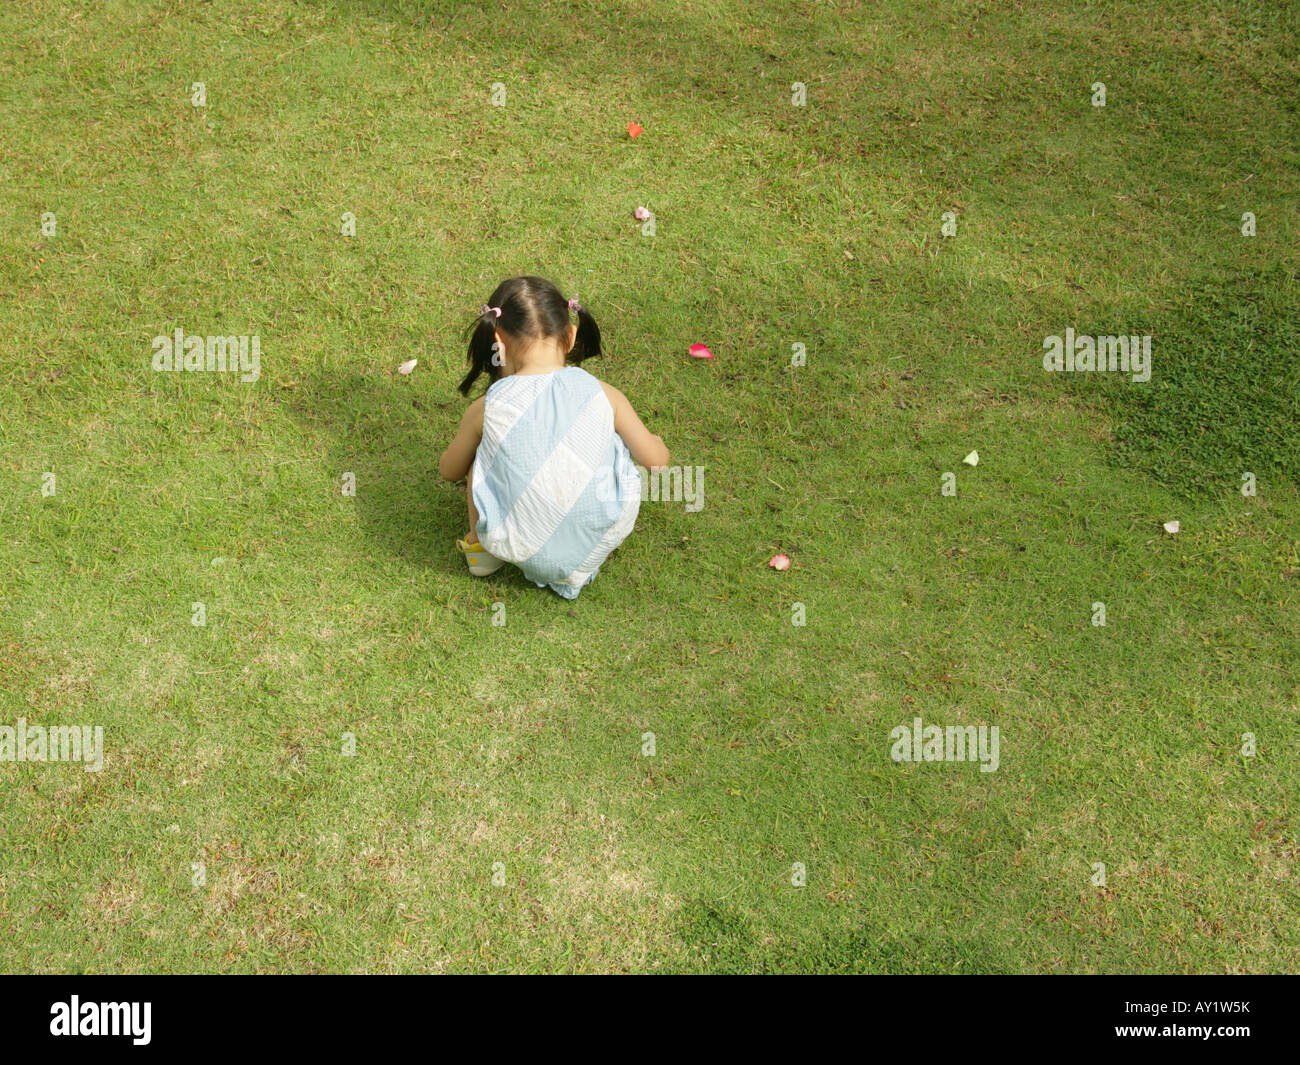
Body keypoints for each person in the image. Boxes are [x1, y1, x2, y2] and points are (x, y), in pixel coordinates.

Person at [439, 276, 669, 599]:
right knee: (610, 441)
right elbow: (656, 461)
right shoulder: (602, 394)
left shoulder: (488, 408)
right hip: (600, 538)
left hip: (516, 542)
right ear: (571, 335)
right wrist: (656, 442)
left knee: (479, 458)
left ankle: (481, 549)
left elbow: (449, 470)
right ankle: (582, 543)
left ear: (496, 342)